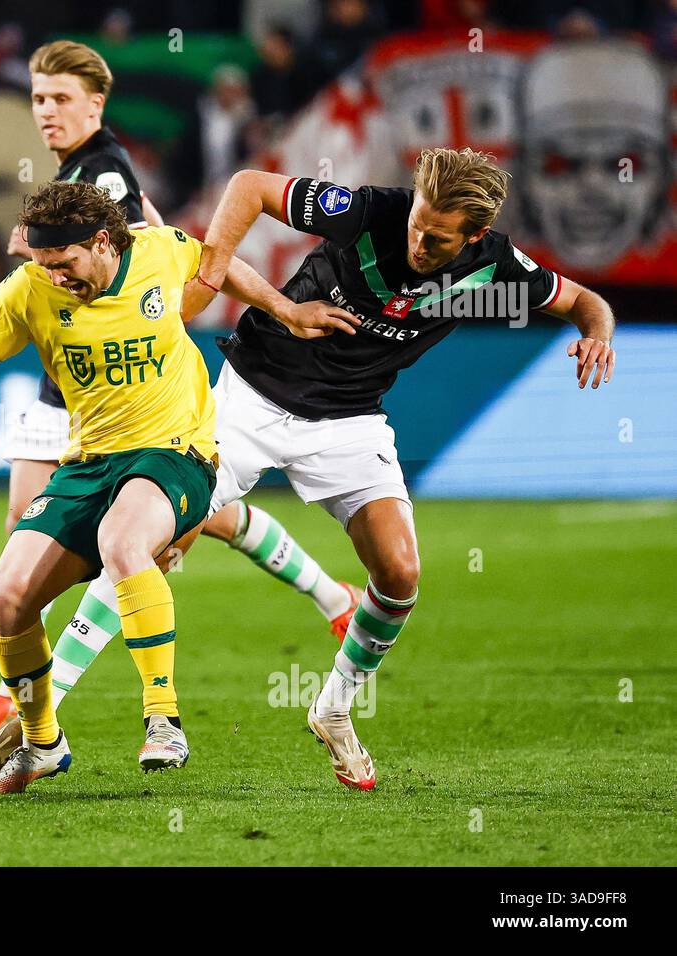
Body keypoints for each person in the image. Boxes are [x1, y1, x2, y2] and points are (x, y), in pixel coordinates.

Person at [0, 39, 358, 742]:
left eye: (61, 100)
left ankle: (32, 709)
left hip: (115, 387)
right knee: (183, 521)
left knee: (123, 536)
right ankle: (331, 595)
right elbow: (168, 241)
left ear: (95, 104)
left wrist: (279, 308)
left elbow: (165, 251)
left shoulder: (101, 175)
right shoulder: (83, 171)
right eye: (39, 99)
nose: (46, 112)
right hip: (77, 386)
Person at [0, 179, 358, 793]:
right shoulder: (30, 288)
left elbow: (217, 266)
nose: (54, 277)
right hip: (88, 462)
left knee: (123, 541)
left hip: (179, 450)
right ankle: (41, 744)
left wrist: (286, 308)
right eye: (43, 265)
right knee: (9, 598)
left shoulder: (160, 252)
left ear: (100, 242)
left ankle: (163, 718)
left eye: (64, 264)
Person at [186, 146, 616, 789]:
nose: (418, 241)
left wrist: (597, 336)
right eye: (417, 223)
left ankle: (334, 708)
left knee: (400, 572)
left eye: (437, 238)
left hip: (351, 419)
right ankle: (30, 717)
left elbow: (586, 301)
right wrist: (215, 268)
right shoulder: (366, 212)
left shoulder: (495, 264)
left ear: (472, 237)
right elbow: (249, 186)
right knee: (161, 534)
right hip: (254, 393)